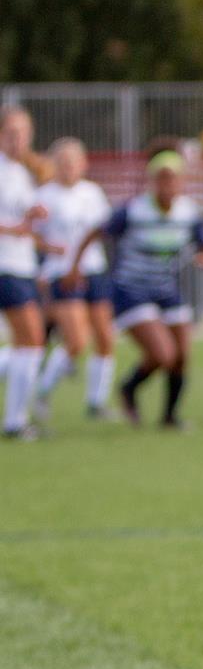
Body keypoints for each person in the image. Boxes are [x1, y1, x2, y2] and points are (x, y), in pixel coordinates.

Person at [69, 146, 203, 430]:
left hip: (165, 288)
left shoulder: (187, 212)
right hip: (130, 290)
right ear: (153, 181)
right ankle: (129, 388)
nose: (168, 184)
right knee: (163, 354)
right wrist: (75, 266)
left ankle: (169, 417)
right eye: (162, 178)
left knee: (182, 355)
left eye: (173, 178)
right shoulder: (134, 210)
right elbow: (94, 232)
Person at [32, 139, 115, 420]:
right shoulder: (44, 196)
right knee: (77, 340)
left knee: (104, 338)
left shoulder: (92, 193)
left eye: (73, 161)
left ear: (83, 164)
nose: (68, 167)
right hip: (62, 273)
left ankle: (96, 402)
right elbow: (31, 234)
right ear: (54, 164)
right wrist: (48, 253)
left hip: (94, 269)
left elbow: (103, 229)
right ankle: (42, 391)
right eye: (62, 162)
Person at [0, 124, 49, 440]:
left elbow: (24, 221)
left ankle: (17, 420)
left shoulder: (20, 171)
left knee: (27, 343)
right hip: (4, 265)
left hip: (22, 264)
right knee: (32, 338)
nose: (19, 140)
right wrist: (14, 228)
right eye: (11, 134)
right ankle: (15, 422)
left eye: (24, 133)